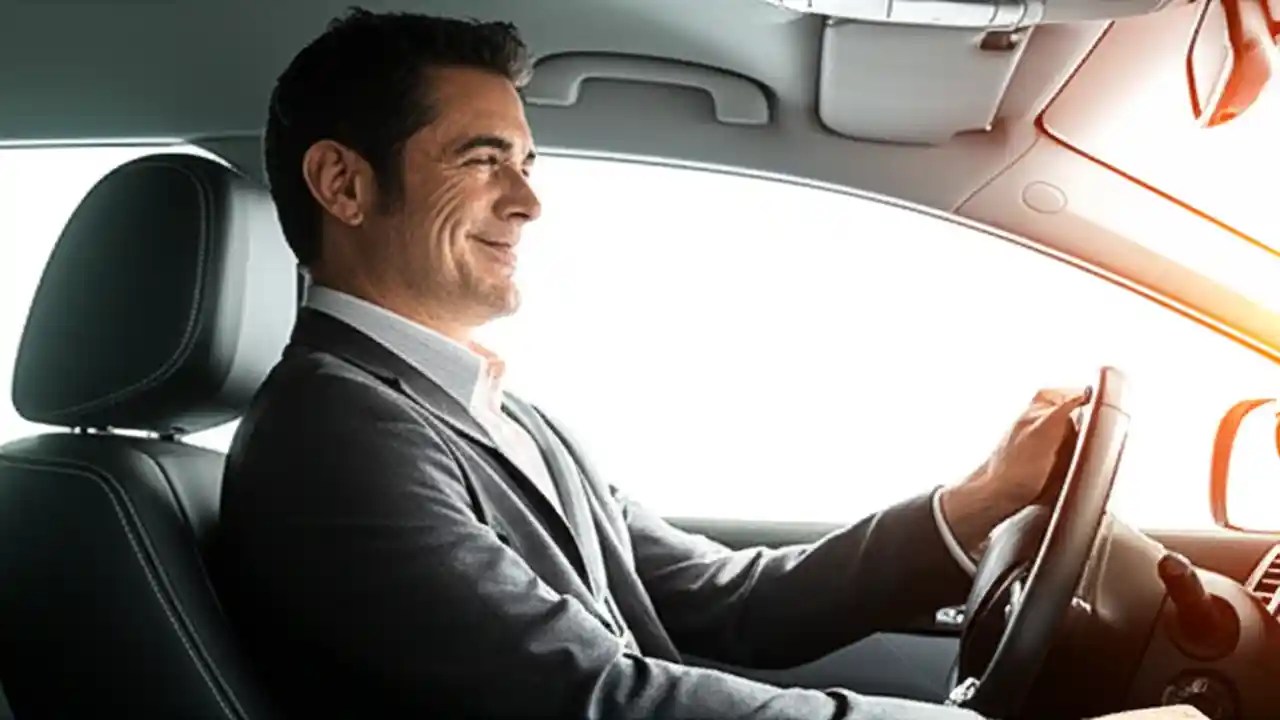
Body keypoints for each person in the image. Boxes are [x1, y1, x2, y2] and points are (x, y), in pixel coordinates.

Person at [213, 9, 1202, 720]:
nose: (527, 201)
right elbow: (584, 697)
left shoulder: (477, 409)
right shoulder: (332, 441)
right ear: (342, 183)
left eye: (527, 162)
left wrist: (979, 500)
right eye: (480, 160)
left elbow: (727, 601)